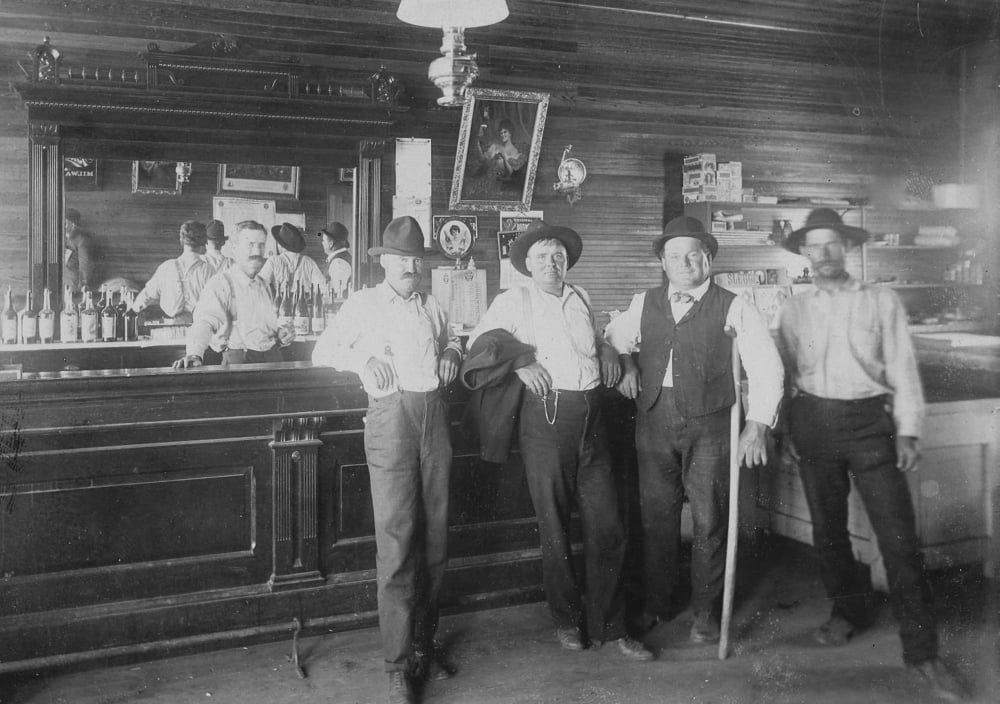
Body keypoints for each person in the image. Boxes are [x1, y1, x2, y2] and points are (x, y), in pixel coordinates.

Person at [774, 209, 966, 702]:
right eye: (814, 246)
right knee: (829, 532)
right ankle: (847, 612)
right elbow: (788, 371)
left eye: (833, 244)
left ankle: (923, 653)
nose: (824, 254)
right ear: (803, 254)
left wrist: (907, 431)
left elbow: (903, 367)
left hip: (870, 425)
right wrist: (790, 428)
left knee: (899, 538)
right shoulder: (793, 308)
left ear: (848, 248)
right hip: (813, 422)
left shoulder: (882, 299)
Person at [466, 220, 654, 662]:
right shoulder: (516, 299)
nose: (552, 264)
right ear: (526, 265)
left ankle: (612, 624)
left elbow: (599, 341)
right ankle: (568, 622)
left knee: (608, 524)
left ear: (566, 261)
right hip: (547, 419)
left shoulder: (580, 297)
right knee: (555, 526)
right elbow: (480, 343)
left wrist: (609, 351)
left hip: (593, 418)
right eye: (542, 257)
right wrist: (519, 364)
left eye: (558, 256)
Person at [604, 215, 784, 643]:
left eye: (693, 254)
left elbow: (766, 367)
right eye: (674, 256)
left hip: (711, 424)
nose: (684, 262)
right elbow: (613, 336)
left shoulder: (735, 304)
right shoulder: (642, 302)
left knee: (709, 520)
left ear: (708, 259)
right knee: (657, 519)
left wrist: (757, 424)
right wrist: (626, 363)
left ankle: (706, 612)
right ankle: (658, 603)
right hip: (654, 420)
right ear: (662, 263)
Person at [311, 216, 462, 704]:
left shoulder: (432, 304)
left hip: (433, 418)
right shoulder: (364, 304)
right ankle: (396, 667)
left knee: (435, 541)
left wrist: (454, 354)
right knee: (396, 545)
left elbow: (454, 338)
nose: (411, 268)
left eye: (417, 261)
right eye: (402, 260)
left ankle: (423, 647)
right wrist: (364, 360)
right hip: (391, 420)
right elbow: (323, 350)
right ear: (385, 263)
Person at [174, 220, 294, 368]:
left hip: (273, 360)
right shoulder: (221, 284)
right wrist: (194, 354)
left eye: (261, 245)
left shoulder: (265, 285)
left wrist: (282, 335)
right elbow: (204, 322)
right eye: (250, 245)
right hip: (240, 363)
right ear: (235, 248)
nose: (257, 251)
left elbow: (268, 329)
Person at [131, 220, 213, 324]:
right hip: (201, 327)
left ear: (181, 240)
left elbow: (147, 295)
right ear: (204, 242)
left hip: (171, 329)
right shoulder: (209, 270)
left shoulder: (166, 267)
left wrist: (133, 310)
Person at [259, 222, 326, 294]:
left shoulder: (273, 261)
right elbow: (323, 288)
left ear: (280, 245)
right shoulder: (309, 262)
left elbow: (260, 286)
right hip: (304, 303)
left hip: (279, 304)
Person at [63, 208, 99, 293]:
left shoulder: (82, 240)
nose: (62, 226)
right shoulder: (62, 237)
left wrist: (83, 285)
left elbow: (85, 265)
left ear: (73, 224)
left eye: (65, 223)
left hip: (73, 282)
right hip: (62, 279)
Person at [317, 221, 352, 298]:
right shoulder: (338, 259)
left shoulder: (338, 263)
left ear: (331, 244)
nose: (322, 243)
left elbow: (338, 292)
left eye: (323, 240)